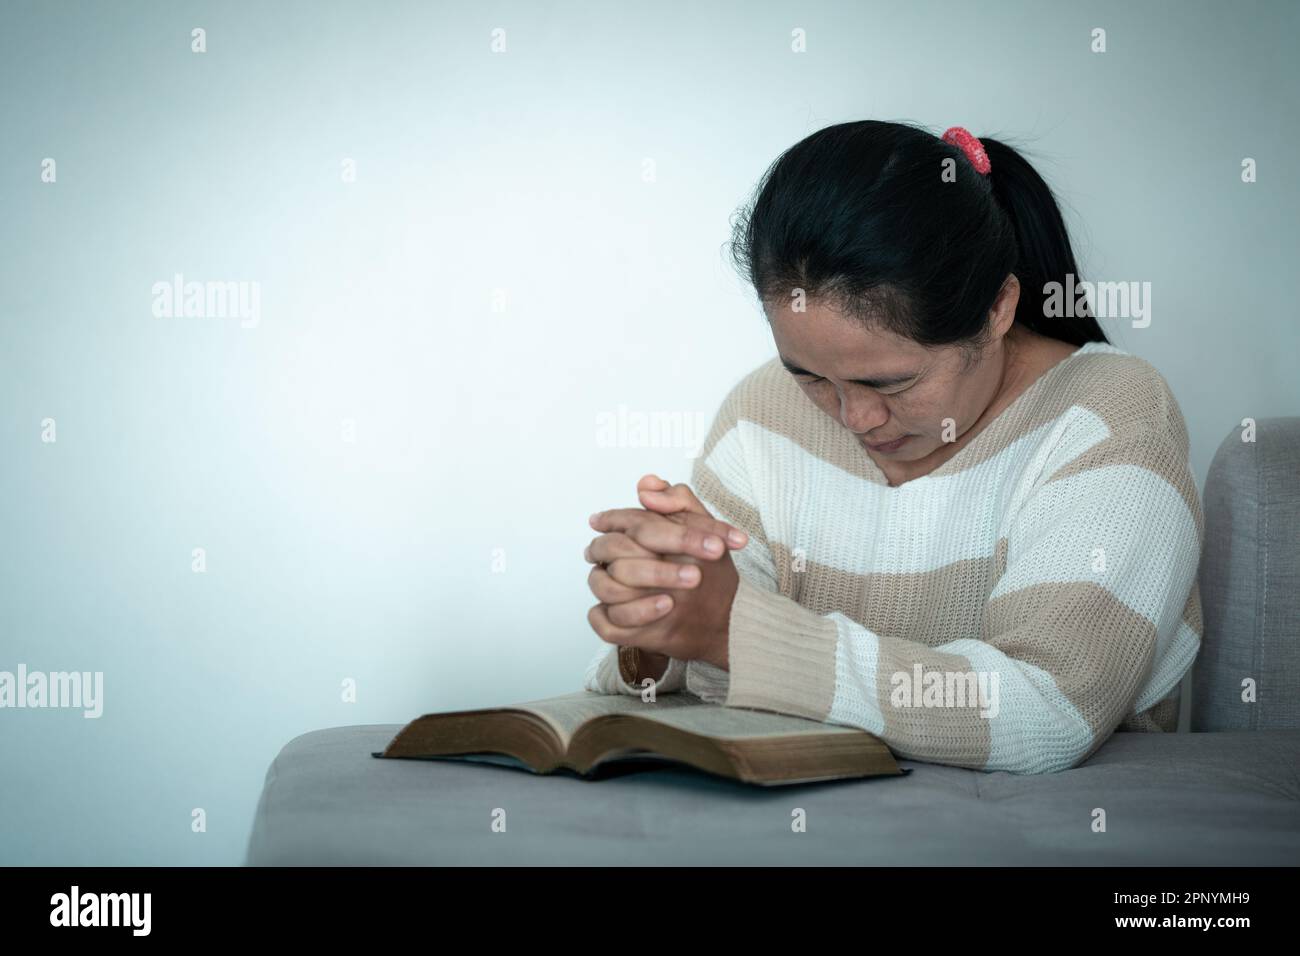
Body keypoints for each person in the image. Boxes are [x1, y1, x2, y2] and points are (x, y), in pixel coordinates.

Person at [581, 121, 1203, 774]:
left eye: (892, 382)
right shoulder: (764, 410)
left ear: (997, 309)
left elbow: (1046, 710)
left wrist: (733, 635)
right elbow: (720, 633)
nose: (855, 416)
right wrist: (662, 617)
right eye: (812, 377)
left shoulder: (1108, 415)